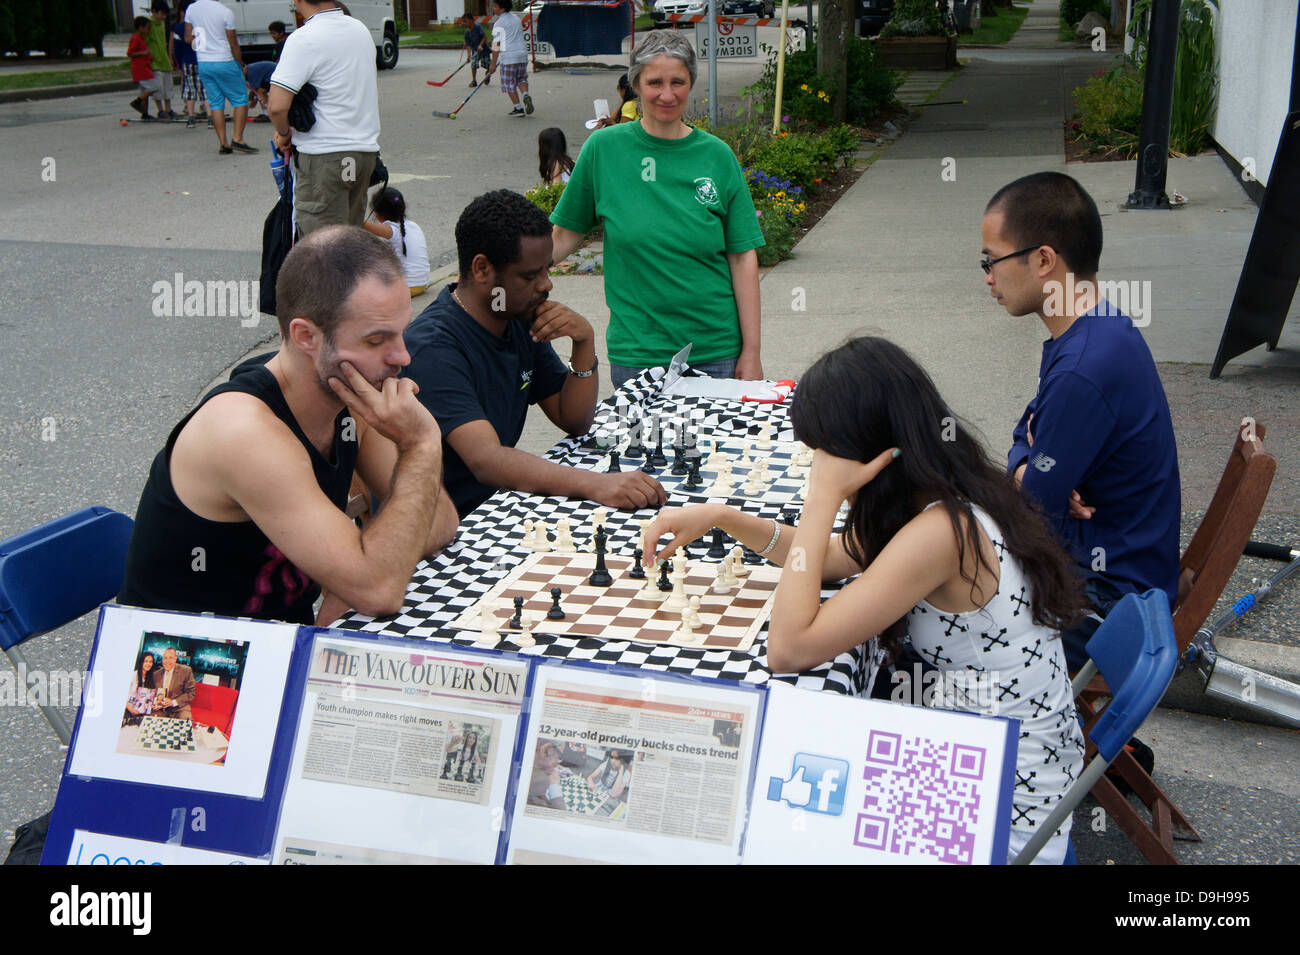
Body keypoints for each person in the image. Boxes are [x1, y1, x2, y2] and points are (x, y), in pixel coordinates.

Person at [642, 337, 1089, 864]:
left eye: (821, 451)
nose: (815, 462)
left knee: (774, 807)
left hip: (1004, 809)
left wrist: (821, 497)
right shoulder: (940, 496)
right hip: (998, 754)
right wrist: (722, 516)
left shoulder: (941, 534)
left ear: (864, 450)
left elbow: (789, 647)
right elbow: (828, 557)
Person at [118, 226, 459, 627]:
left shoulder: (349, 398)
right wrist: (420, 445)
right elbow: (380, 591)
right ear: (306, 336)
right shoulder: (244, 431)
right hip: (178, 670)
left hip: (275, 650)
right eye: (375, 340)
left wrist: (360, 574)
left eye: (401, 332)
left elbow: (440, 522)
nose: (402, 356)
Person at [982, 172, 1180, 673]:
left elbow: (1027, 514)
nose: (987, 276)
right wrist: (1036, 463)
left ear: (1044, 260)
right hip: (1116, 574)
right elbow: (1025, 430)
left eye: (992, 260)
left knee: (932, 620)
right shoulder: (1095, 327)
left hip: (1108, 601)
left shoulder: (1083, 368)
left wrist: (1032, 473)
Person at [403, 190, 667, 517]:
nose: (546, 285)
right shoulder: (433, 346)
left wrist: (583, 342)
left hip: (498, 506)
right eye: (530, 275)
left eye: (548, 270)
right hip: (444, 526)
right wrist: (597, 483)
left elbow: (574, 419)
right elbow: (486, 460)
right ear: (482, 269)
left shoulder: (516, 318)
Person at [551, 30, 764, 388]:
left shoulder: (717, 156)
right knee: (644, 447)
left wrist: (752, 352)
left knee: (715, 447)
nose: (668, 94)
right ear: (635, 83)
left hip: (717, 351)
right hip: (638, 353)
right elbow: (562, 235)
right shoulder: (604, 150)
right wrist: (508, 276)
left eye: (678, 81)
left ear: (691, 82)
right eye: (655, 82)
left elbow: (743, 257)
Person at [269, 0, 381, 235]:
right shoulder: (359, 30)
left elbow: (277, 107)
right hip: (361, 155)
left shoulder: (304, 38)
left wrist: (285, 133)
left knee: (322, 251)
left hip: (325, 156)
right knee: (349, 241)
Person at [185, 0, 258, 154]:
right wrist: (240, 63)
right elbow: (233, 43)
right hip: (224, 60)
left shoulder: (191, 9)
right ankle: (238, 138)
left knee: (216, 103)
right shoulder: (225, 12)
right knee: (240, 100)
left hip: (204, 63)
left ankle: (223, 144)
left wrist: (204, 47)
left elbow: (188, 38)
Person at [362, 187, 430, 296]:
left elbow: (363, 224)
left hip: (406, 287)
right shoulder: (414, 226)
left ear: (377, 213)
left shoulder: (391, 231)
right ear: (404, 207)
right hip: (422, 283)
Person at [487, 0, 532, 117]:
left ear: (502, 9)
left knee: (509, 83)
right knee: (521, 78)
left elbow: (496, 45)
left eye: (495, 7)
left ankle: (518, 108)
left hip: (509, 57)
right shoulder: (516, 18)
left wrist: (492, 64)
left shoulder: (498, 23)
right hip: (522, 54)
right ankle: (525, 94)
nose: (494, 9)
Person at [171, 1, 205, 128]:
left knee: (190, 89)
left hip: (186, 61)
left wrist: (178, 63)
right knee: (204, 89)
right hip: (200, 60)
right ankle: (210, 116)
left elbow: (177, 47)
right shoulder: (200, 26)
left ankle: (191, 117)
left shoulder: (178, 27)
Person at [126, 17, 164, 121]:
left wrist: (149, 56)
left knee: (145, 91)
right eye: (148, 28)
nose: (149, 31)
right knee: (154, 87)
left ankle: (145, 113)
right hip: (140, 69)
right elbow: (130, 53)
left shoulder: (141, 39)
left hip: (145, 67)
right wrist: (143, 53)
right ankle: (137, 101)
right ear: (140, 28)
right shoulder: (135, 38)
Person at [146, 1, 177, 120]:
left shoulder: (162, 23)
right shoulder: (149, 24)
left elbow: (166, 40)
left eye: (165, 15)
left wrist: (169, 56)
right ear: (154, 11)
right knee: (158, 87)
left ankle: (168, 109)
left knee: (168, 86)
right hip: (154, 60)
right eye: (161, 14)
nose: (163, 17)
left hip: (164, 59)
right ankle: (160, 110)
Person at [152, 648, 197, 721]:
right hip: (161, 709)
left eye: (170, 658)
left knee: (185, 723)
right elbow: (153, 693)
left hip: (180, 708)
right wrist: (156, 702)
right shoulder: (156, 674)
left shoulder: (186, 671)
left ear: (175, 659)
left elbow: (191, 693)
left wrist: (173, 702)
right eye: (165, 658)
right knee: (152, 723)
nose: (167, 661)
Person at [528, 740, 566, 809]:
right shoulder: (537, 783)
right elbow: (559, 815)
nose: (557, 764)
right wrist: (554, 786)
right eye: (558, 757)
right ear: (545, 751)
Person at [124, 652, 157, 721]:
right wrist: (130, 709)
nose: (148, 664)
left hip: (142, 712)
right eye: (146, 661)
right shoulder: (133, 675)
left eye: (150, 662)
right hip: (128, 709)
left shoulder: (151, 677)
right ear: (141, 662)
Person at [459, 13, 490, 86]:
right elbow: (468, 45)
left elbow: (484, 37)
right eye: (463, 21)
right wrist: (469, 55)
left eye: (465, 21)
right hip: (475, 51)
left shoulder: (478, 27)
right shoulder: (466, 33)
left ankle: (488, 75)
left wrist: (480, 45)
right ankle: (474, 80)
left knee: (487, 65)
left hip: (484, 50)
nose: (464, 23)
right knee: (473, 65)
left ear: (472, 21)